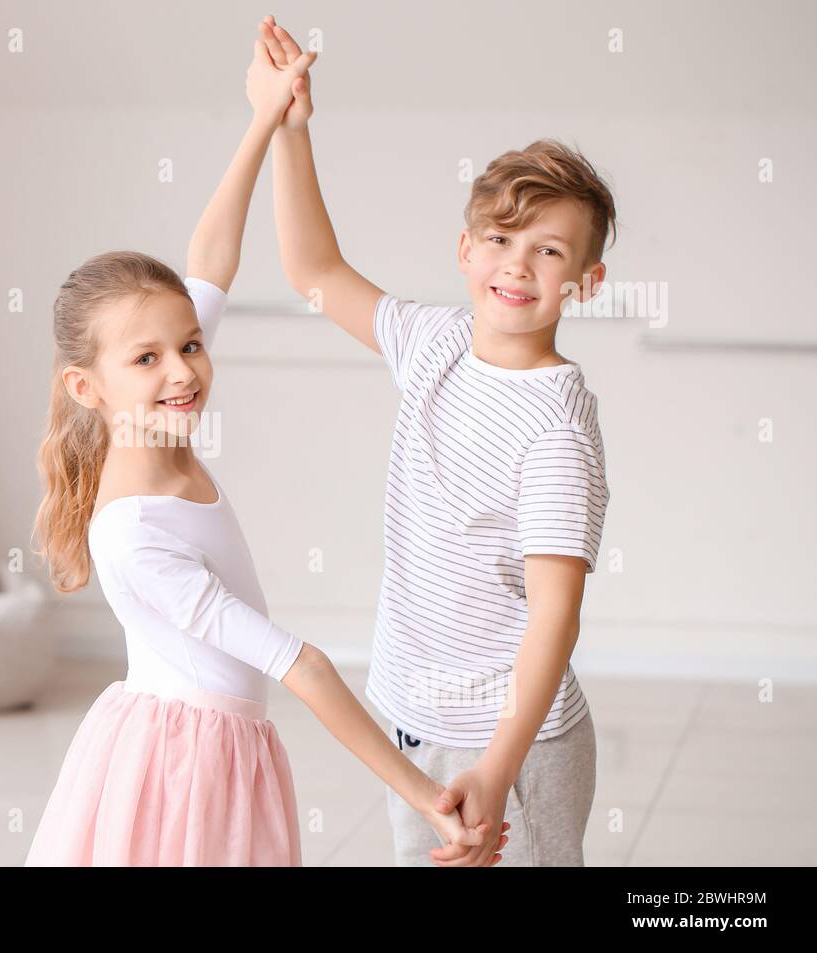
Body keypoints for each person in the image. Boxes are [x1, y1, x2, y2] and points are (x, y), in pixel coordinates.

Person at [24, 35, 507, 867]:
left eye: (190, 345)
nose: (183, 370)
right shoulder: (134, 535)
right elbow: (306, 667)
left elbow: (211, 259)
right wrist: (428, 796)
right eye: (148, 359)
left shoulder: (149, 410)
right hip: (183, 767)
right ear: (85, 386)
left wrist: (268, 120)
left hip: (224, 748)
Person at [260, 14, 614, 866]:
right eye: (500, 239)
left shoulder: (557, 429)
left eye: (548, 250)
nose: (517, 264)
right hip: (413, 725)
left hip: (511, 747)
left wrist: (496, 770)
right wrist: (290, 129)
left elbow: (554, 621)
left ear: (586, 282)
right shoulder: (436, 343)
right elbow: (314, 272)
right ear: (465, 249)